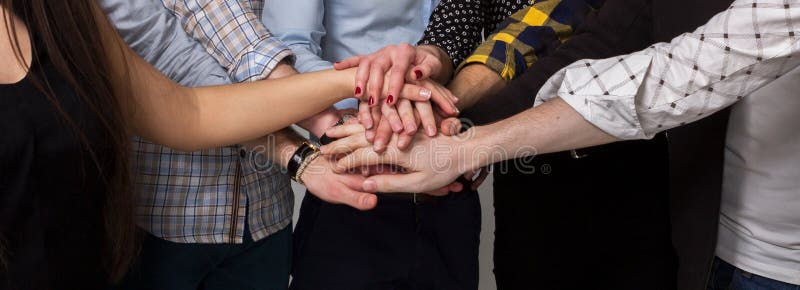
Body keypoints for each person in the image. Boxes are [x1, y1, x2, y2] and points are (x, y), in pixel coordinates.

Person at [326, 1, 800, 289]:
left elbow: (673, 69)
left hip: (643, 179)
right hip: (537, 166)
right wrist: (439, 99)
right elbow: (521, 29)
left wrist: (461, 139)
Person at [0, 0, 449, 288]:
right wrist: (327, 128)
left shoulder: (58, 13)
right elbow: (169, 51)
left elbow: (190, 108)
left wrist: (354, 94)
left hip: (264, 212)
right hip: (167, 213)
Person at [259, 1, 489, 289]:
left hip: (452, 193)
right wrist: (373, 110)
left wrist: (474, 131)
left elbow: (476, 41)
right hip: (356, 189)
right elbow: (287, 49)